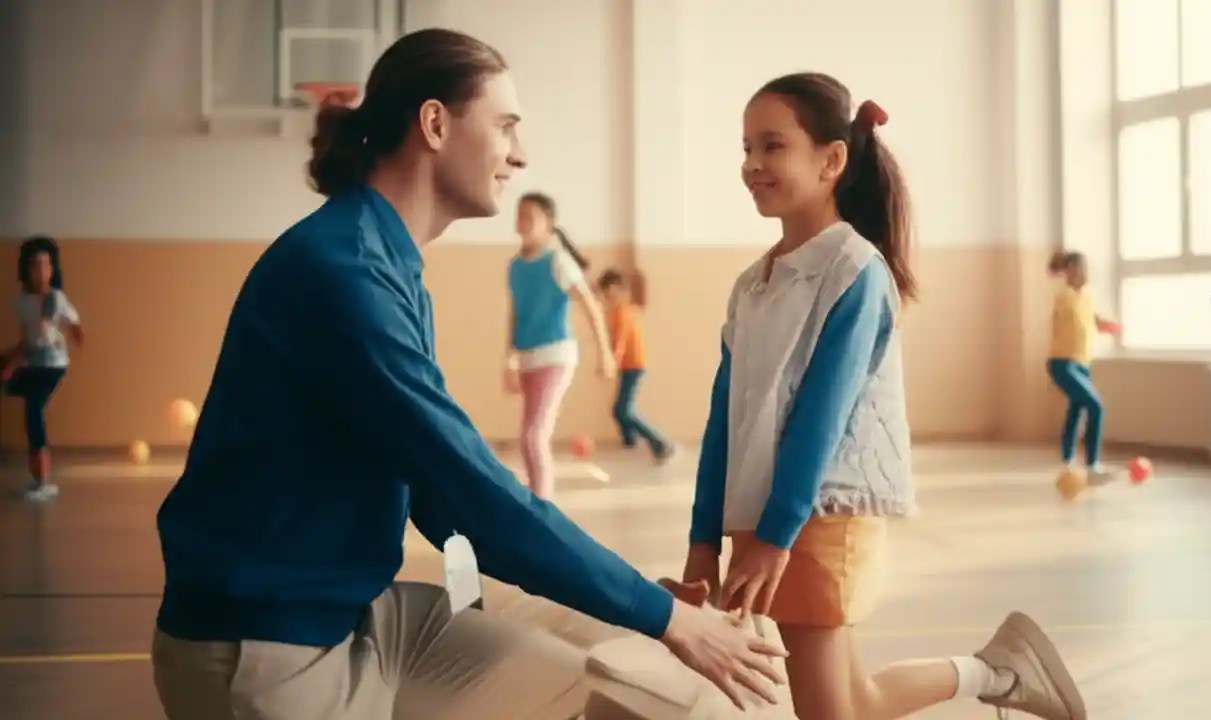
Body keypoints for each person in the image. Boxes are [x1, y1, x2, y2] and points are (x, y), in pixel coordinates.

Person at [151, 28, 783, 720]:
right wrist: (668, 616)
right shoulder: (344, 275)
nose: (521, 153)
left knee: (624, 670)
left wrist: (640, 607)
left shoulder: (387, 264)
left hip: (358, 618)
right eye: (506, 125)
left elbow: (442, 498)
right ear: (434, 123)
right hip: (269, 649)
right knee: (649, 645)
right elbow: (472, 491)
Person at [678, 72, 1087, 720]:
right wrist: (705, 536)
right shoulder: (752, 286)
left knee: (829, 712)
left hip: (818, 516)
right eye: (746, 148)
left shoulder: (853, 270)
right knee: (848, 703)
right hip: (768, 519)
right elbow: (723, 418)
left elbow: (822, 417)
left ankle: (994, 673)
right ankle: (995, 672)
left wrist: (776, 537)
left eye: (772, 146)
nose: (752, 164)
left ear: (831, 160)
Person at [504, 192, 614, 499]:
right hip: (527, 358)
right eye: (519, 215)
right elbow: (515, 315)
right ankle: (538, 496)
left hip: (556, 355)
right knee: (528, 436)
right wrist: (509, 361)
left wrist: (603, 351)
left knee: (533, 435)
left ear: (548, 224)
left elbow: (590, 305)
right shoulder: (514, 266)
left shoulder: (558, 261)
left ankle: (541, 506)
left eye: (530, 216)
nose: (522, 222)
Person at [2, 235, 83, 503]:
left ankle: (44, 483)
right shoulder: (22, 303)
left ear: (53, 270)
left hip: (53, 366)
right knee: (29, 411)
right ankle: (38, 480)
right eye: (35, 265)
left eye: (46, 265)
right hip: (33, 363)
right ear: (26, 269)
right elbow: (26, 341)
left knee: (33, 414)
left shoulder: (56, 299)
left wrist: (76, 335)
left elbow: (74, 323)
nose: (41, 271)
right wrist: (10, 365)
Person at [1047, 250, 1121, 481]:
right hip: (1062, 363)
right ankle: (1092, 466)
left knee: (1077, 409)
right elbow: (1067, 317)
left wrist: (1103, 324)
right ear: (1068, 271)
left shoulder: (1087, 294)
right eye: (1077, 268)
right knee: (1096, 406)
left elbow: (1089, 319)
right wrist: (1057, 265)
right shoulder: (1064, 295)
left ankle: (1068, 463)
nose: (1083, 272)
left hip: (1082, 363)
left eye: (1084, 268)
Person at [597, 268, 674, 463]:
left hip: (634, 366)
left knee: (624, 410)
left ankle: (661, 443)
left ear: (618, 290)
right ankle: (629, 443)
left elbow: (620, 341)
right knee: (618, 410)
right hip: (628, 366)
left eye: (610, 293)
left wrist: (611, 362)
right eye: (605, 294)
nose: (607, 297)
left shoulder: (622, 311)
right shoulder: (620, 310)